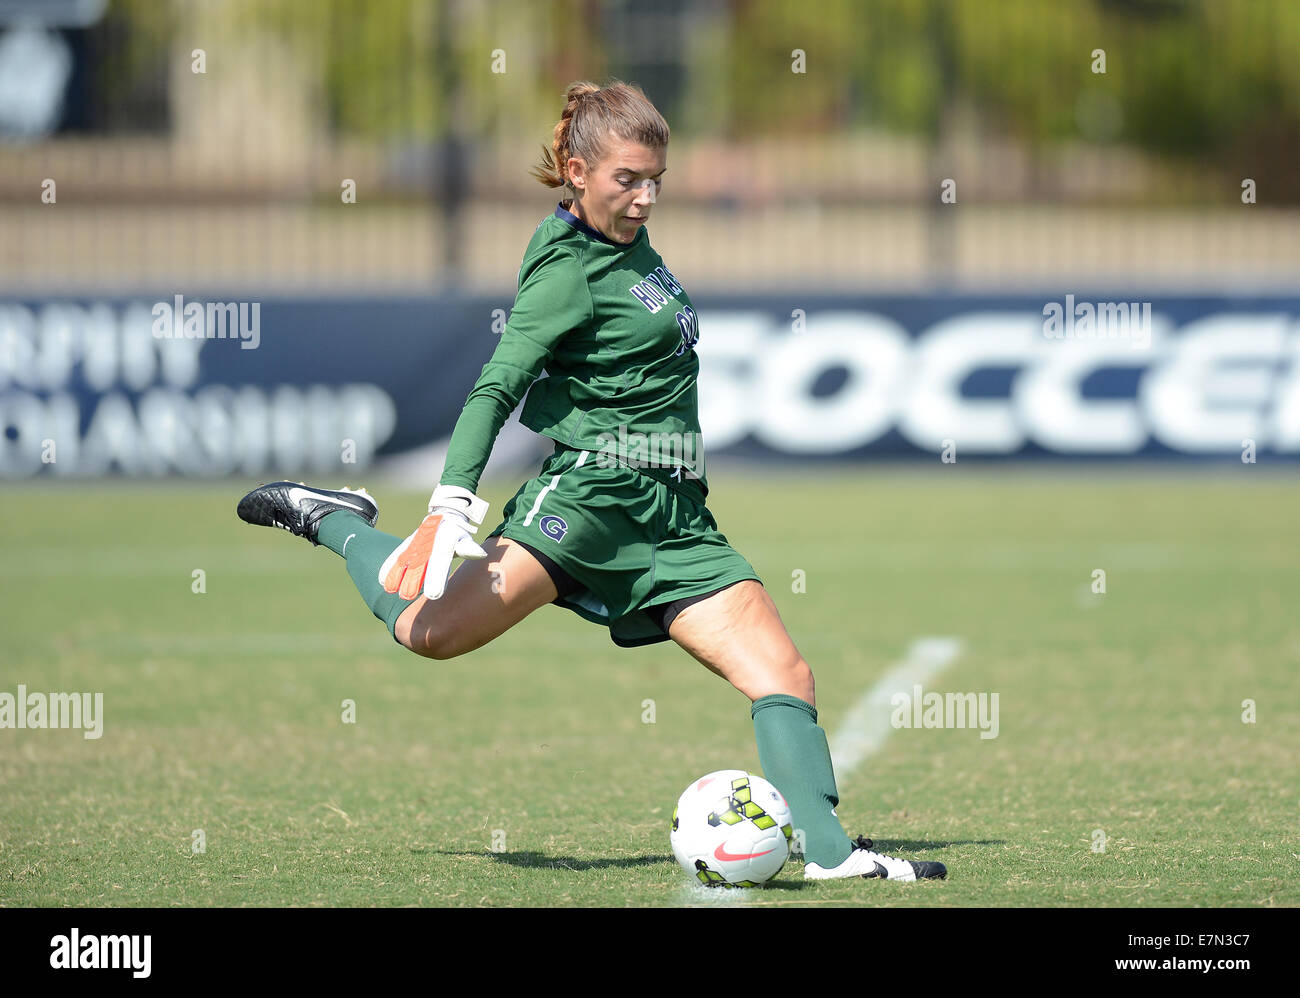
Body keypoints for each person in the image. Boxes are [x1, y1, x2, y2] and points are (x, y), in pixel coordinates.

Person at [237, 80, 946, 884]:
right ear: (576, 171)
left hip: (675, 515)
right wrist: (447, 506)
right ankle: (332, 520)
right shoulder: (566, 266)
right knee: (428, 633)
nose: (645, 198)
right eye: (627, 180)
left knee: (782, 673)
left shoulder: (627, 241)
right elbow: (496, 387)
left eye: (656, 181)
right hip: (590, 499)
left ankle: (828, 854)